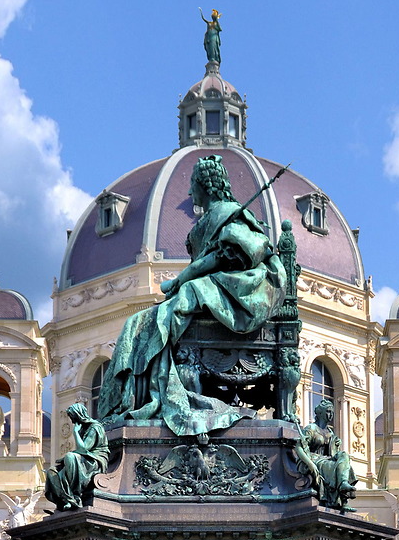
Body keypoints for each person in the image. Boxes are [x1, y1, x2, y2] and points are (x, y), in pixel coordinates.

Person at [96, 155, 287, 438]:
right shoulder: (213, 217)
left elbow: (228, 257)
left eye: (193, 185)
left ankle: (146, 389)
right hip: (217, 287)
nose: (189, 193)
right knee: (137, 322)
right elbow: (207, 261)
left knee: (186, 294)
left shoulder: (230, 215)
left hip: (245, 289)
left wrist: (181, 280)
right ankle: (130, 395)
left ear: (206, 186)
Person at [44, 403, 109, 511]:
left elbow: (83, 449)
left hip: (96, 461)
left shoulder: (95, 427)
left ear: (79, 415)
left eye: (73, 418)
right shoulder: (83, 428)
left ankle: (76, 495)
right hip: (85, 459)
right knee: (52, 471)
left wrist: (75, 432)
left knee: (70, 457)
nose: (73, 422)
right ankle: (68, 499)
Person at [300, 399, 357, 511]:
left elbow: (332, 454)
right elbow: (299, 447)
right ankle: (343, 496)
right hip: (314, 459)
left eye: (332, 412)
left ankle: (343, 484)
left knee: (344, 455)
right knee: (334, 468)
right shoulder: (311, 428)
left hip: (326, 459)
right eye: (328, 412)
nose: (330, 415)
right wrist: (310, 463)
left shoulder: (330, 432)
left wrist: (335, 446)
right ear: (320, 413)